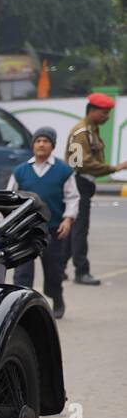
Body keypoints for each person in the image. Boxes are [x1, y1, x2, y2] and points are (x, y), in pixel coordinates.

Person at [7, 126, 77, 318]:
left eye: (46, 141)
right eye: (38, 141)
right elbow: (10, 198)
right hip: (25, 231)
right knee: (22, 273)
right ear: (33, 145)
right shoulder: (21, 171)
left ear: (52, 146)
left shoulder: (63, 171)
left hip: (53, 230)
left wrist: (68, 219)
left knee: (54, 272)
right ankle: (20, 308)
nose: (41, 144)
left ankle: (57, 297)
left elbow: (72, 198)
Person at [64, 93, 127, 285]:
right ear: (92, 111)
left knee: (74, 228)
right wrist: (113, 168)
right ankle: (81, 272)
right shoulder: (81, 132)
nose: (106, 117)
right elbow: (79, 163)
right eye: (104, 113)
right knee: (80, 229)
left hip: (85, 183)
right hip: (78, 183)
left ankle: (58, 267)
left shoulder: (92, 130)